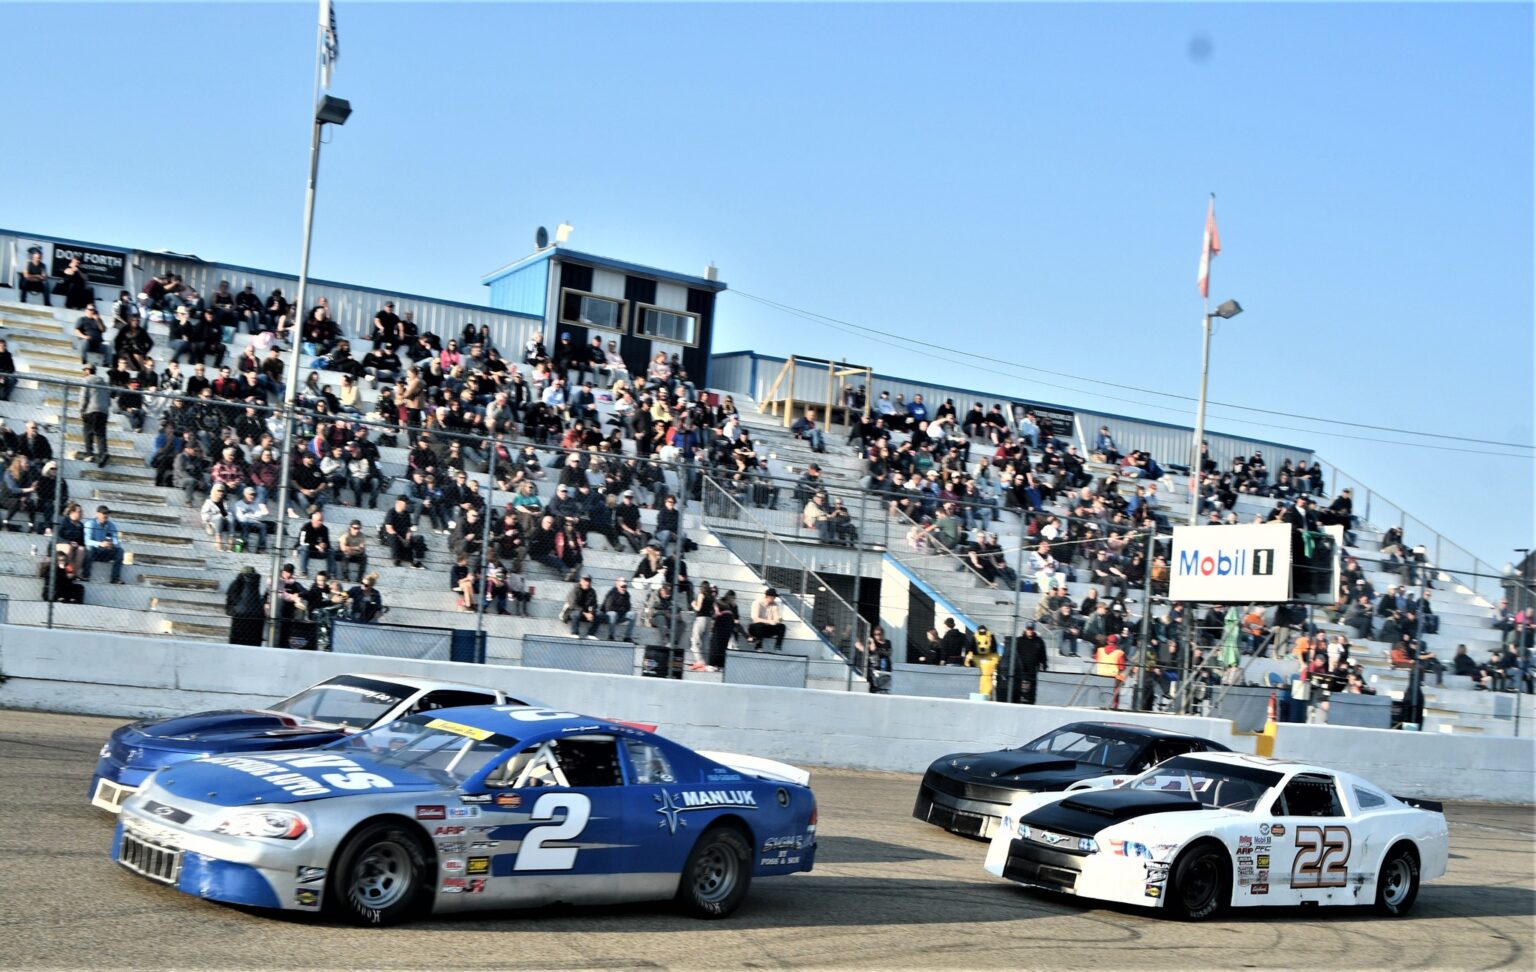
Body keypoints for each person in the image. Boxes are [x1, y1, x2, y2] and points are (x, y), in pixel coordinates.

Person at [80, 505, 125, 584]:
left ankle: (115, 578)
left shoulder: (111, 525)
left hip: (106, 552)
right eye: (104, 513)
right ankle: (85, 576)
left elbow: (116, 541)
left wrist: (112, 544)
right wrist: (100, 544)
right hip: (95, 552)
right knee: (90, 549)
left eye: (107, 513)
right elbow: (87, 541)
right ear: (97, 514)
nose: (106, 515)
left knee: (120, 551)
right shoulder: (90, 524)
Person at [78, 364, 111, 466]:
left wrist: (81, 411)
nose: (83, 372)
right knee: (101, 434)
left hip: (91, 409)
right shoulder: (104, 383)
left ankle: (89, 454)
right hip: (103, 411)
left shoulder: (86, 380)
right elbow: (108, 400)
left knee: (87, 432)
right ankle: (103, 454)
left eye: (84, 370)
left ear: (88, 371)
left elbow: (84, 397)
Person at [225, 566, 266, 645]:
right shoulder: (238, 583)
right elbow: (233, 598)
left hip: (241, 612)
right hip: (239, 611)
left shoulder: (248, 584)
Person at [1014, 621, 1049, 704]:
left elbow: (1043, 654)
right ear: (1025, 629)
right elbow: (1015, 654)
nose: (1030, 631)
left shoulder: (1039, 641)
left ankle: (1031, 704)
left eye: (1032, 629)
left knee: (1032, 691)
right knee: (1020, 690)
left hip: (1033, 670)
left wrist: (1044, 664)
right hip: (1021, 671)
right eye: (1028, 629)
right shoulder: (1019, 641)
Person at [233, 486, 269, 553]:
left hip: (253, 523)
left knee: (263, 526)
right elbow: (241, 518)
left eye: (254, 495)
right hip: (242, 524)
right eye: (250, 494)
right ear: (245, 494)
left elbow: (259, 516)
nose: (252, 496)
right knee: (245, 524)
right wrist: (252, 516)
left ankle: (261, 548)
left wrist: (247, 515)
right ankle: (244, 546)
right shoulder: (238, 504)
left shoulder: (255, 504)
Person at [602, 577, 638, 643]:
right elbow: (608, 609)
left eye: (625, 586)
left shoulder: (627, 594)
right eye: (622, 586)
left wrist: (621, 610)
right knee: (613, 614)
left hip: (620, 615)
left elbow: (628, 608)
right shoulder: (611, 594)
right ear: (617, 586)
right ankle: (611, 636)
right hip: (607, 617)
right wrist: (621, 609)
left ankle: (627, 637)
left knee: (633, 614)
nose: (624, 588)